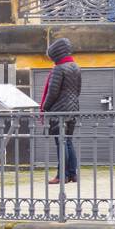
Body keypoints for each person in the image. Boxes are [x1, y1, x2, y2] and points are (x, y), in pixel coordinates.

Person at [38, 37, 81, 184]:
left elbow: (53, 92)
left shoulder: (58, 68)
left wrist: (44, 107)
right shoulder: (75, 66)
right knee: (68, 141)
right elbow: (78, 90)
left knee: (61, 143)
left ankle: (61, 175)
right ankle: (72, 174)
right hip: (73, 109)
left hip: (59, 112)